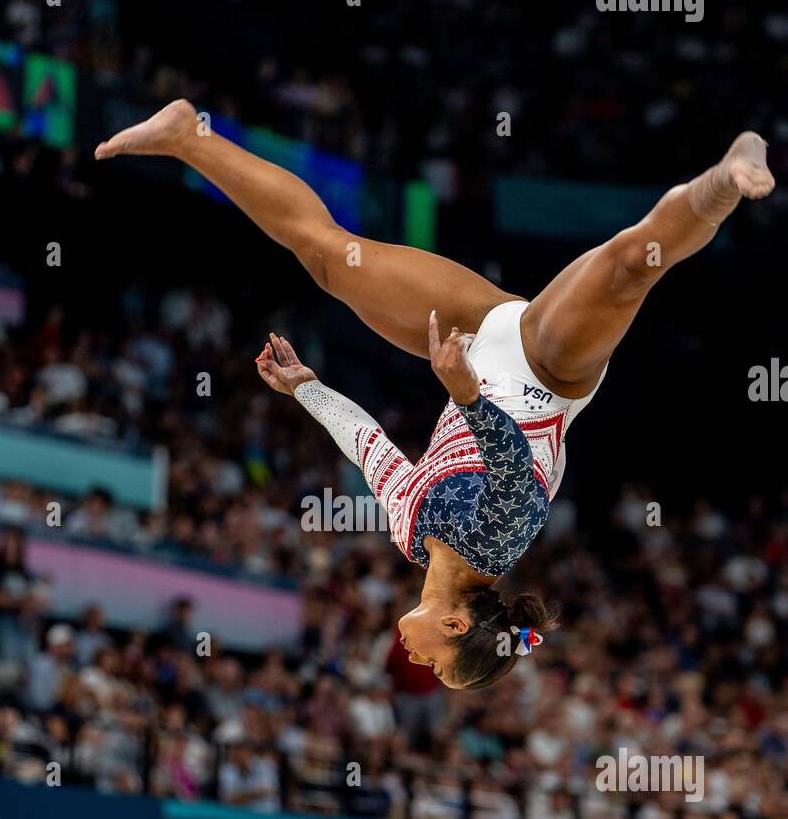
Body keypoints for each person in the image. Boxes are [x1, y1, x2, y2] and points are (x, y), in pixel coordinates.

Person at [96, 101, 774, 688]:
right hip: (545, 368)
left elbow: (371, 452)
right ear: (454, 623)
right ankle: (727, 177)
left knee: (331, 258)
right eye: (436, 664)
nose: (416, 663)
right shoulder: (496, 545)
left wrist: (308, 390)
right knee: (631, 265)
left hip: (476, 339)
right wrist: (469, 397)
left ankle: (188, 135)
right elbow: (511, 466)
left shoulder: (412, 535)